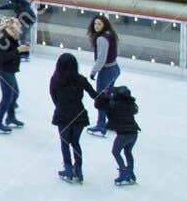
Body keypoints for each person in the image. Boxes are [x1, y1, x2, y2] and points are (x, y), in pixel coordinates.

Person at [49, 52, 95, 183]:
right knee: (75, 142)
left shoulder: (55, 79)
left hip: (62, 115)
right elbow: (94, 95)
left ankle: (68, 169)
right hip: (79, 115)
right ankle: (78, 170)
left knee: (65, 143)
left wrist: (60, 106)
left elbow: (53, 96)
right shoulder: (81, 79)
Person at [96, 83, 141, 185]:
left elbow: (98, 105)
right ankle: (130, 173)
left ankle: (123, 173)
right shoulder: (131, 104)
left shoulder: (114, 105)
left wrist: (104, 95)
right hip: (134, 133)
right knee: (128, 152)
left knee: (116, 152)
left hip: (123, 134)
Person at [87, 16, 120, 135]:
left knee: (101, 99)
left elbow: (101, 59)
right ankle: (112, 122)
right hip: (115, 69)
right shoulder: (110, 34)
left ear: (104, 25)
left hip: (107, 71)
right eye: (95, 24)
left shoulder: (102, 38)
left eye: (99, 24)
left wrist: (93, 71)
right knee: (108, 97)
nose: (96, 26)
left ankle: (101, 125)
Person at [0, 17, 24, 134]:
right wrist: (18, 51)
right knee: (7, 97)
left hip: (9, 69)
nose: (19, 27)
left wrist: (22, 51)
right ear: (10, 27)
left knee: (15, 93)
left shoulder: (12, 37)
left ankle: (10, 117)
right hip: (4, 70)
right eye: (17, 25)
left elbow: (12, 53)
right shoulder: (3, 39)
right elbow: (4, 58)